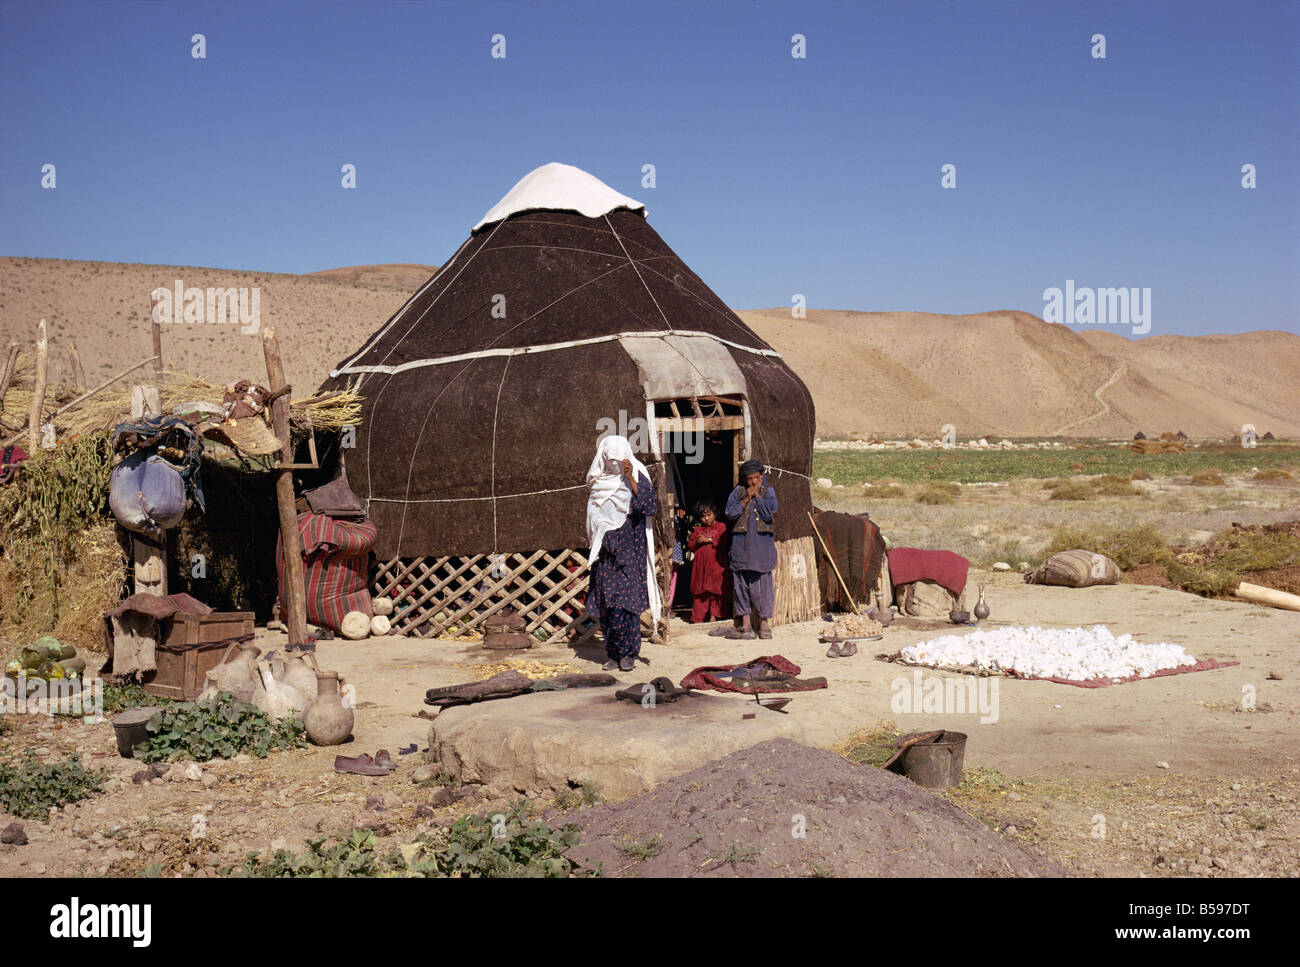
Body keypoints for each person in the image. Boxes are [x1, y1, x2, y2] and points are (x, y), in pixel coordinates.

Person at [585, 435, 660, 672]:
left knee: (626, 606)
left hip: (629, 551)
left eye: (619, 460)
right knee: (607, 605)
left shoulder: (637, 476)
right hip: (606, 554)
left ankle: (628, 653)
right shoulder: (598, 482)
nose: (615, 465)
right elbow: (593, 517)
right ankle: (613, 653)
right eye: (611, 460)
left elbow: (649, 506)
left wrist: (630, 479)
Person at [723, 459, 778, 640]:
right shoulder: (737, 493)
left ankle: (764, 624)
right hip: (741, 548)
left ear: (762, 476)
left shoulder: (768, 493)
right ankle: (746, 624)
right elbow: (730, 514)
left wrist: (758, 498)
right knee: (741, 585)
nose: (754, 482)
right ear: (744, 479)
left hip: (762, 549)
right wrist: (746, 498)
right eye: (750, 479)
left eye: (756, 477)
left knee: (763, 586)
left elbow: (769, 514)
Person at [687, 499, 729, 622]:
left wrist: (709, 540)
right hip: (701, 568)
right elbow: (691, 545)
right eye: (703, 516)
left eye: (709, 515)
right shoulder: (698, 530)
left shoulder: (721, 527)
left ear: (715, 514)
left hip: (716, 566)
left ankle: (713, 616)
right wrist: (696, 541)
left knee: (716, 591)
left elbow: (725, 541)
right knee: (700, 592)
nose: (706, 519)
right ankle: (698, 618)